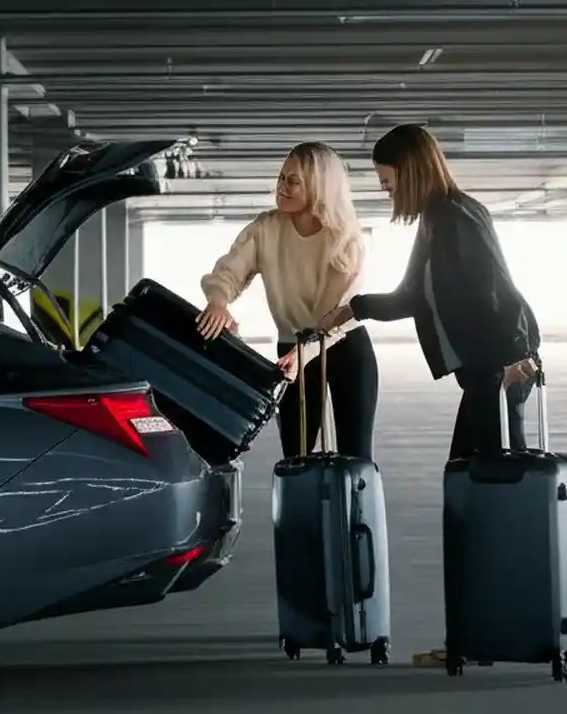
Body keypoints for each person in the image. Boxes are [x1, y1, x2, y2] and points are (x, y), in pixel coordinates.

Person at [318, 123, 540, 668]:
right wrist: (352, 310)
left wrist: (515, 358)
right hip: (486, 377)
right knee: (474, 499)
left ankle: (480, 638)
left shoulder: (458, 216)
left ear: (411, 170)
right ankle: (476, 638)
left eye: (388, 180)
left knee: (479, 503)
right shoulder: (437, 224)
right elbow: (412, 296)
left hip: (496, 375)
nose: (387, 191)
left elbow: (497, 289)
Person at [195, 142, 378, 461]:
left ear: (320, 187)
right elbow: (230, 271)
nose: (282, 186)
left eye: (293, 181)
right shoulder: (266, 228)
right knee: (296, 455)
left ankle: (357, 511)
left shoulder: (345, 238)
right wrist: (218, 301)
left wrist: (302, 352)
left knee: (357, 455)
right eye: (281, 178)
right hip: (291, 350)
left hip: (343, 346)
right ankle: (300, 510)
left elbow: (336, 313)